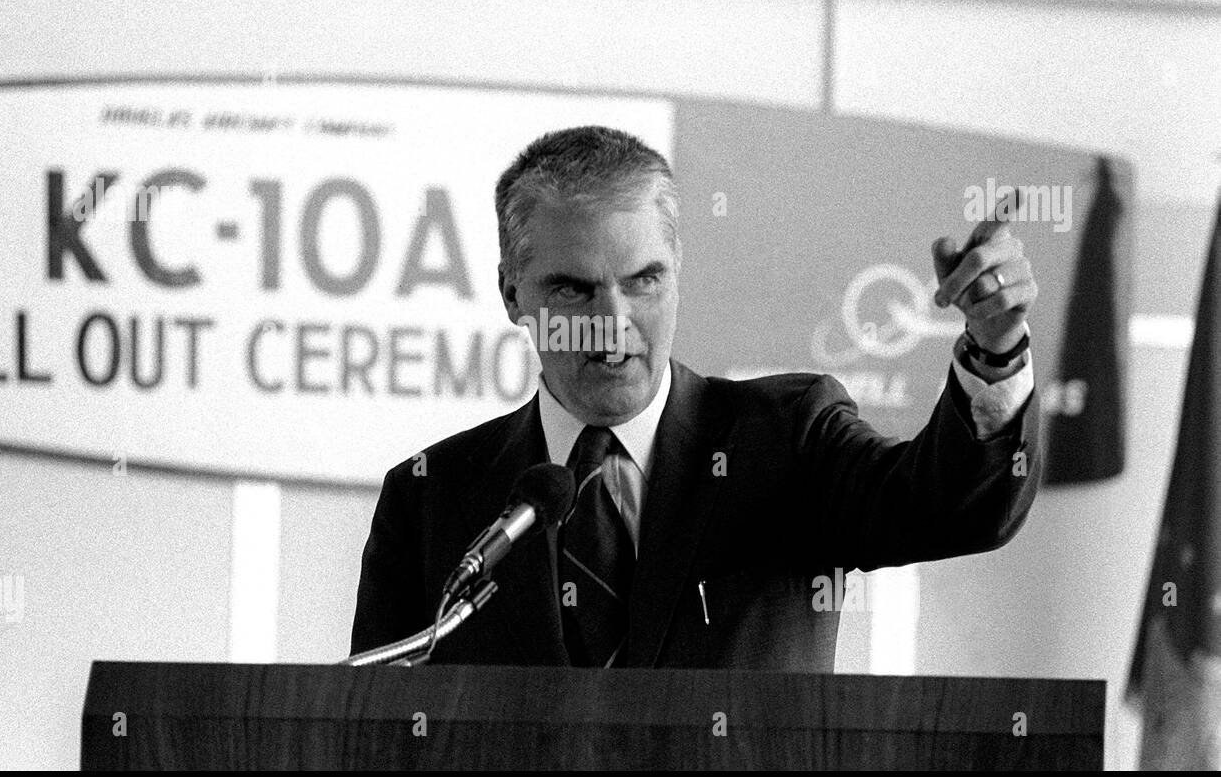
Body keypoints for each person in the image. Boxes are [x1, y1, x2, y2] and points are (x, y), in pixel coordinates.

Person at [351, 125, 1039, 670]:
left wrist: (995, 348)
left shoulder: (788, 441)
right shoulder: (430, 499)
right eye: (573, 289)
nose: (614, 323)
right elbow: (372, 730)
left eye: (643, 281)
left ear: (677, 275)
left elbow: (949, 508)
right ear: (511, 296)